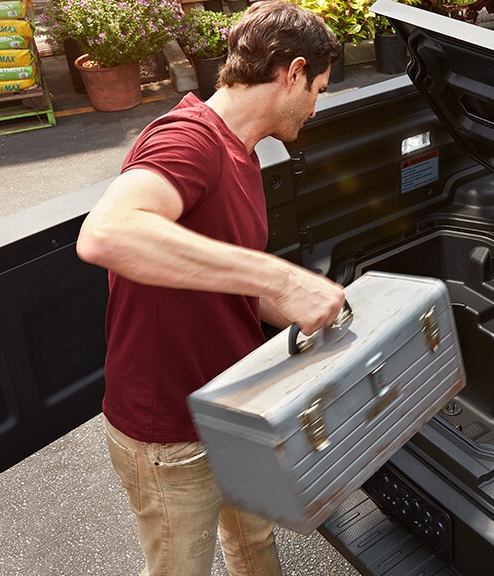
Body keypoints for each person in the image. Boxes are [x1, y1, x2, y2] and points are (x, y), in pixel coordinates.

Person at [75, 2, 346, 574]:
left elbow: (227, 279)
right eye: (318, 90)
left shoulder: (241, 151)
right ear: (293, 72)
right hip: (169, 433)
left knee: (254, 543)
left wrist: (307, 305)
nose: (316, 108)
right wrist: (280, 276)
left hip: (230, 408)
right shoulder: (189, 139)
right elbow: (107, 233)